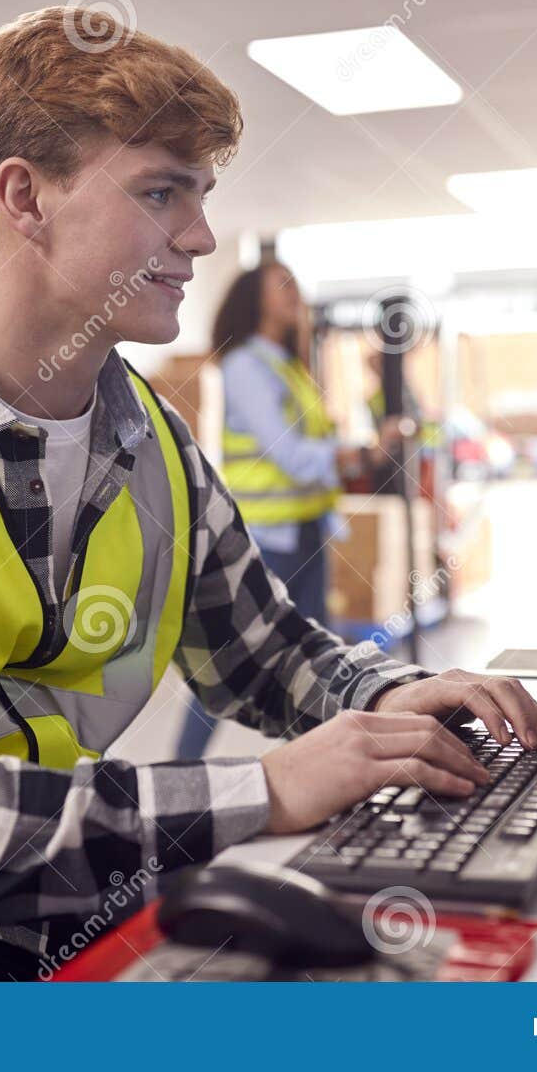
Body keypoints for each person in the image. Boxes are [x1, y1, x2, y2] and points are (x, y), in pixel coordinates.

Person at [0, 6, 537, 983]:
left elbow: (262, 650)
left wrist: (390, 702)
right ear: (25, 198)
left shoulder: (150, 440)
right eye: (162, 192)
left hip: (47, 888)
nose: (203, 235)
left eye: (201, 194)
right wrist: (261, 789)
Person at [173, 264, 400, 757]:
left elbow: (318, 445)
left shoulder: (288, 365)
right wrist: (358, 455)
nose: (295, 292)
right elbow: (290, 455)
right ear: (254, 297)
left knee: (320, 659)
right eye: (283, 283)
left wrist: (362, 445)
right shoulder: (245, 366)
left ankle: (330, 763)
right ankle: (183, 765)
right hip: (268, 538)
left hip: (306, 530)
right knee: (230, 660)